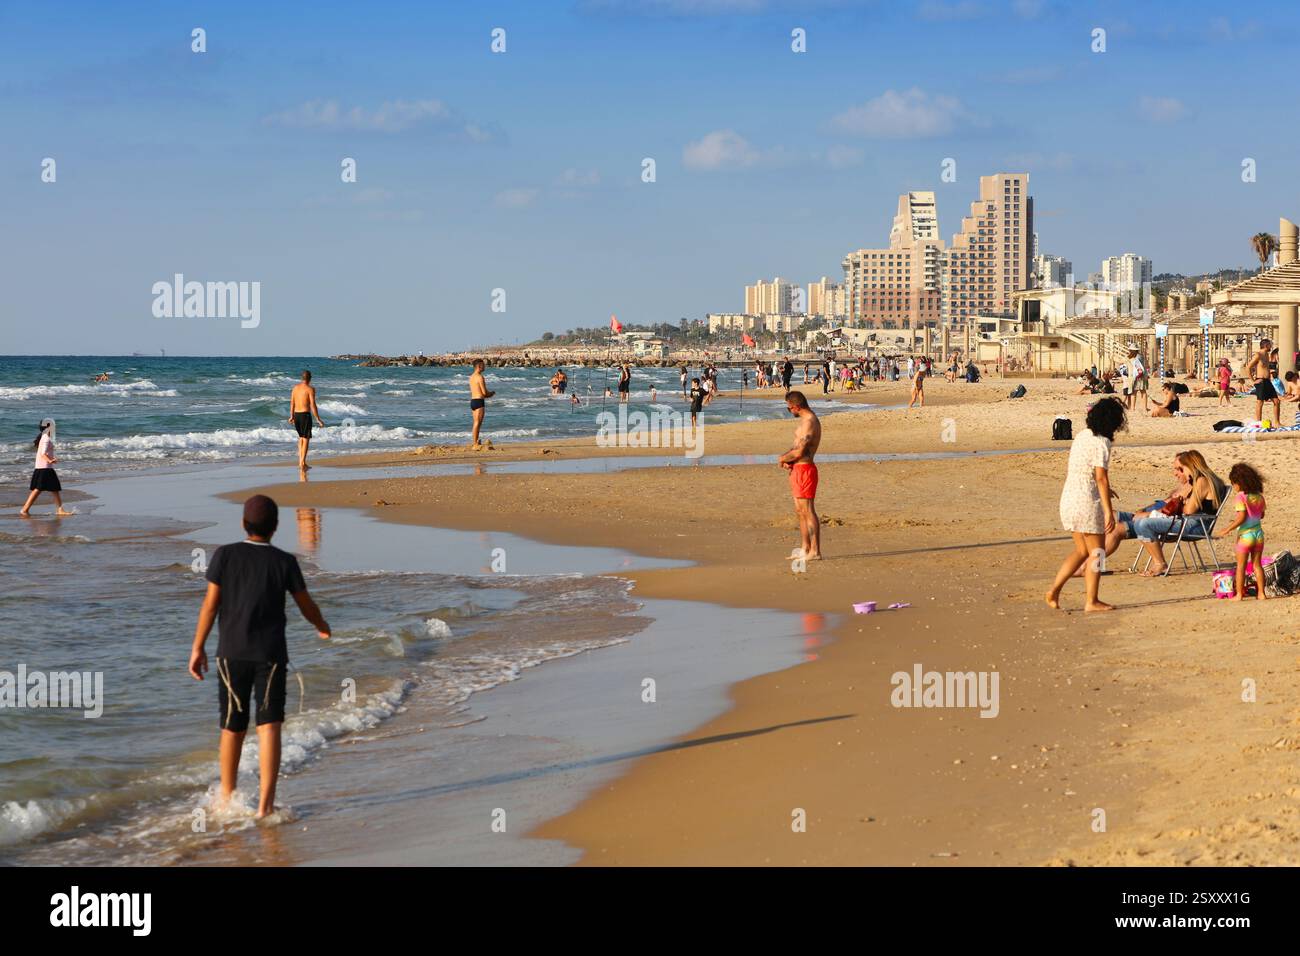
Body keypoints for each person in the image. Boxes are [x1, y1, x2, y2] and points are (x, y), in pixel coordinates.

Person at [188, 495, 331, 819]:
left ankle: (226, 798)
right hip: (270, 655)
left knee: (232, 727)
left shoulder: (225, 555)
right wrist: (321, 625)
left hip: (231, 654)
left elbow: (210, 605)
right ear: (276, 527)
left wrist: (198, 647)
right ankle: (265, 807)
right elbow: (305, 604)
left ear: (243, 523)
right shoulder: (284, 562)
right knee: (269, 727)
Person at [1046, 397, 1126, 611]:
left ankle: (1054, 590)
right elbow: (1100, 477)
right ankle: (1091, 600)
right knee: (1097, 552)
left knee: (1082, 550)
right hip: (1086, 501)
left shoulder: (1082, 435)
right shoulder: (1102, 442)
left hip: (1069, 496)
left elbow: (1084, 468)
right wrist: (1108, 511)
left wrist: (1106, 491)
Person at [1094, 449, 1224, 577]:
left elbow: (1188, 511)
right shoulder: (1194, 482)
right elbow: (1167, 504)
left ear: (1189, 466)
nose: (1176, 473)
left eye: (1180, 469)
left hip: (1194, 525)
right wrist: (1148, 511)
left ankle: (1159, 564)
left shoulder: (1202, 481)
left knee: (1139, 525)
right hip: (1177, 520)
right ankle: (1090, 563)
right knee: (1109, 516)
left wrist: (1177, 503)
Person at [779, 391, 821, 561]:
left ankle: (815, 551)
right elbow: (796, 446)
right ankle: (805, 548)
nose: (790, 411)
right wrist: (787, 459)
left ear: (796, 406)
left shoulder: (810, 421)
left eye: (789, 408)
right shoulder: (804, 421)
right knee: (800, 510)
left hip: (805, 470)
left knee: (808, 510)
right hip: (797, 469)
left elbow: (802, 449)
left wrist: (782, 458)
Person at [1215, 463, 1267, 601]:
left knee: (1241, 567)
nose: (1233, 487)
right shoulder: (1259, 497)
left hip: (1245, 536)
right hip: (1258, 535)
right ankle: (1261, 593)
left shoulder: (1240, 497)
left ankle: (1238, 594)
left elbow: (1241, 517)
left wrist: (1228, 528)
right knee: (1257, 565)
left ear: (1239, 482)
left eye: (1233, 483)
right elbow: (1261, 515)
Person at [19, 418, 72, 517]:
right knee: (38, 489)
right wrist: (50, 460)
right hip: (44, 468)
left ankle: (60, 509)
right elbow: (43, 453)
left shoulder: (45, 437)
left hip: (44, 467)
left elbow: (44, 453)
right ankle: (25, 509)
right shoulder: (46, 438)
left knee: (54, 488)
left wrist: (51, 459)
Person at [288, 371, 325, 474]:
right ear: (310, 378)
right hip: (305, 415)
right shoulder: (310, 389)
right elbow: (313, 405)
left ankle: (301, 462)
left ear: (302, 378)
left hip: (296, 415)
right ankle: (302, 463)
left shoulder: (295, 388)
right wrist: (318, 419)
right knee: (306, 439)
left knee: (301, 438)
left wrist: (291, 416)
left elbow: (292, 402)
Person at [1246, 338, 1281, 425]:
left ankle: (1277, 422)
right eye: (1270, 345)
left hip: (1267, 381)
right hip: (1260, 381)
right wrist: (1253, 381)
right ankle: (1258, 422)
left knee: (1277, 401)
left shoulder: (1267, 355)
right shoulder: (1258, 355)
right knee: (1260, 402)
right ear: (1266, 345)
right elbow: (1248, 367)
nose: (1271, 346)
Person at [469, 358, 495, 449]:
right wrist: (491, 394)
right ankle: (475, 443)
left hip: (473, 401)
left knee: (476, 423)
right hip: (479, 401)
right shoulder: (480, 377)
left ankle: (475, 441)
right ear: (479, 366)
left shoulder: (471, 377)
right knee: (477, 423)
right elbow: (484, 393)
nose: (485, 366)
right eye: (483, 365)